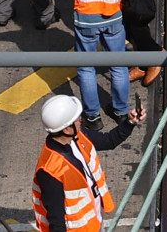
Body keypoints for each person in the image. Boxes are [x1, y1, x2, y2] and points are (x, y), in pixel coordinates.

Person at [33, 94, 114, 230]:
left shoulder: (79, 136)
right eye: (76, 118)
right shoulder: (50, 170)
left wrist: (130, 122)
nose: (80, 119)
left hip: (94, 222)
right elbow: (56, 219)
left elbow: (109, 141)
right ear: (66, 129)